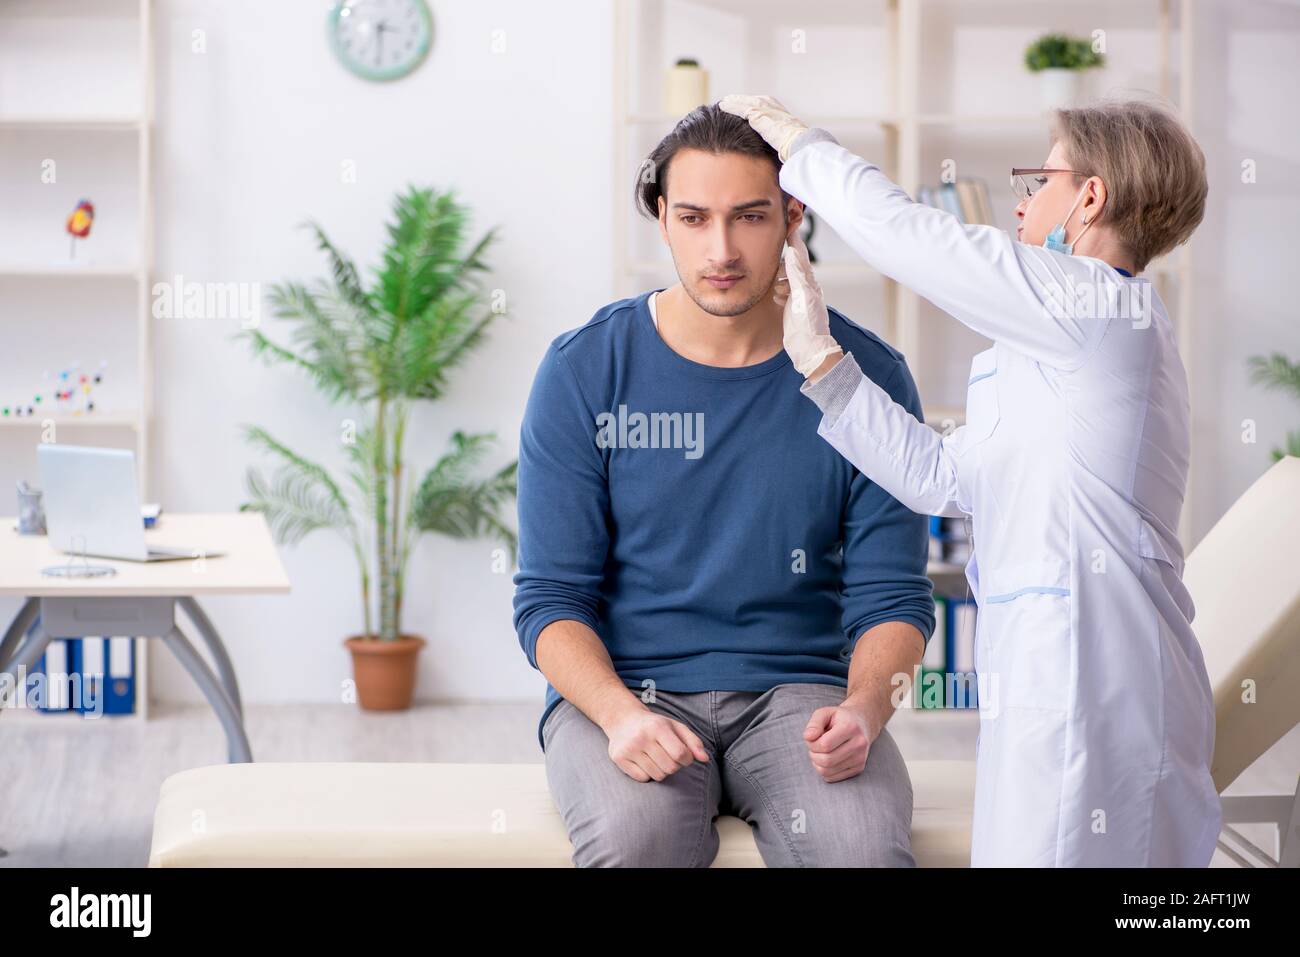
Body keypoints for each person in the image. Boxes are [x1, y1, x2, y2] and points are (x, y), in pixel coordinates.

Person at [720, 93, 1221, 866]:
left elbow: (917, 241)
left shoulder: (1097, 309)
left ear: (1091, 195)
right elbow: (942, 478)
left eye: (1041, 178)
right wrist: (824, 364)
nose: (1026, 199)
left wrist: (804, 149)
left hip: (1097, 673)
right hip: (1046, 670)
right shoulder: (1050, 346)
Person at [511, 104, 935, 866]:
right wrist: (615, 714)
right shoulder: (583, 371)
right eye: (694, 218)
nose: (722, 249)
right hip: (630, 692)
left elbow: (894, 598)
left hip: (804, 694)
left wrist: (867, 709)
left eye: (749, 216)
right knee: (635, 837)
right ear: (661, 218)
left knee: (861, 850)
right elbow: (549, 600)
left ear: (793, 217)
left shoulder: (867, 379)